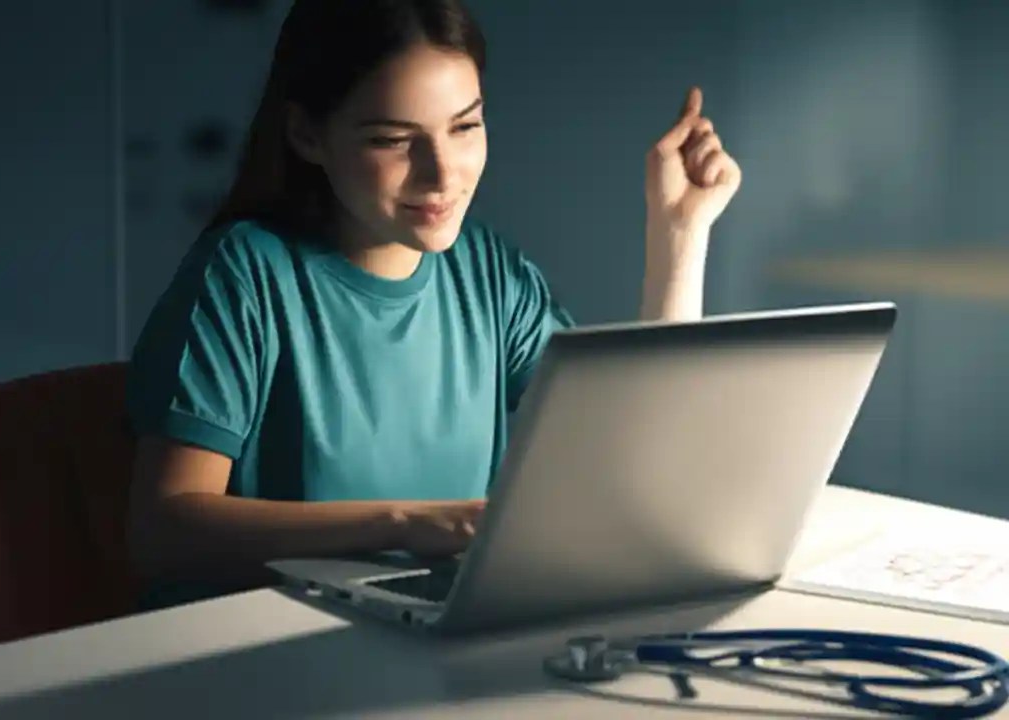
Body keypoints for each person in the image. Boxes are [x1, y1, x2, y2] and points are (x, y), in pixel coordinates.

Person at [125, 0, 741, 609]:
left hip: (435, 643)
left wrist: (680, 235)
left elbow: (636, 468)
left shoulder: (491, 275)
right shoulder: (245, 274)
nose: (442, 174)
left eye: (465, 127)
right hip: (268, 658)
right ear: (308, 135)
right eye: (394, 140)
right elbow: (164, 532)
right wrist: (403, 522)